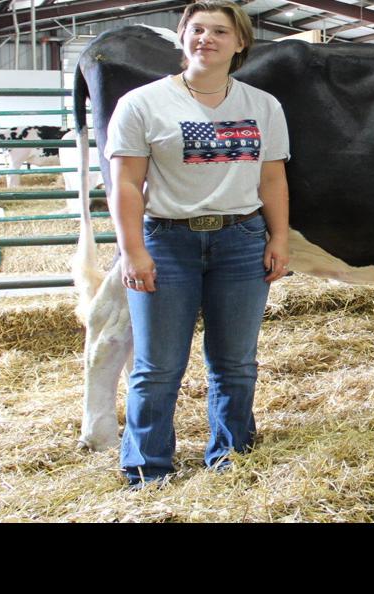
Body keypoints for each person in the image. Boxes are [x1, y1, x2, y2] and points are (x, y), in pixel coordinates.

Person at [105, 1, 291, 488]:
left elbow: (272, 177)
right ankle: (148, 468)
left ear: (240, 42)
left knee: (235, 362)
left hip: (241, 239)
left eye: (219, 31)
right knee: (158, 365)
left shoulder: (262, 106)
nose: (206, 38)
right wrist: (132, 250)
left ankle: (231, 455)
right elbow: (125, 184)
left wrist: (280, 237)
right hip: (168, 241)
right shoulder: (143, 103)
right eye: (197, 30)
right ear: (182, 38)